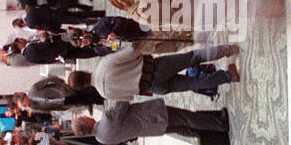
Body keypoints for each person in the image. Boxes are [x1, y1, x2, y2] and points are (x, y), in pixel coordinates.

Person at [85, 43, 241, 101]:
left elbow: (130, 97)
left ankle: (229, 76)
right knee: (192, 58)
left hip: (153, 88)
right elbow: (134, 52)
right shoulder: (104, 64)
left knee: (194, 83)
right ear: (84, 72)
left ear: (84, 87)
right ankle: (229, 49)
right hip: (156, 68)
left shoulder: (104, 93)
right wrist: (116, 45)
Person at [73, 102, 232, 145]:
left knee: (183, 128)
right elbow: (123, 102)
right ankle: (219, 124)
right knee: (187, 118)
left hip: (151, 129)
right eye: (82, 117)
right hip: (154, 116)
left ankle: (211, 132)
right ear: (86, 122)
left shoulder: (101, 139)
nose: (85, 115)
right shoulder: (107, 119)